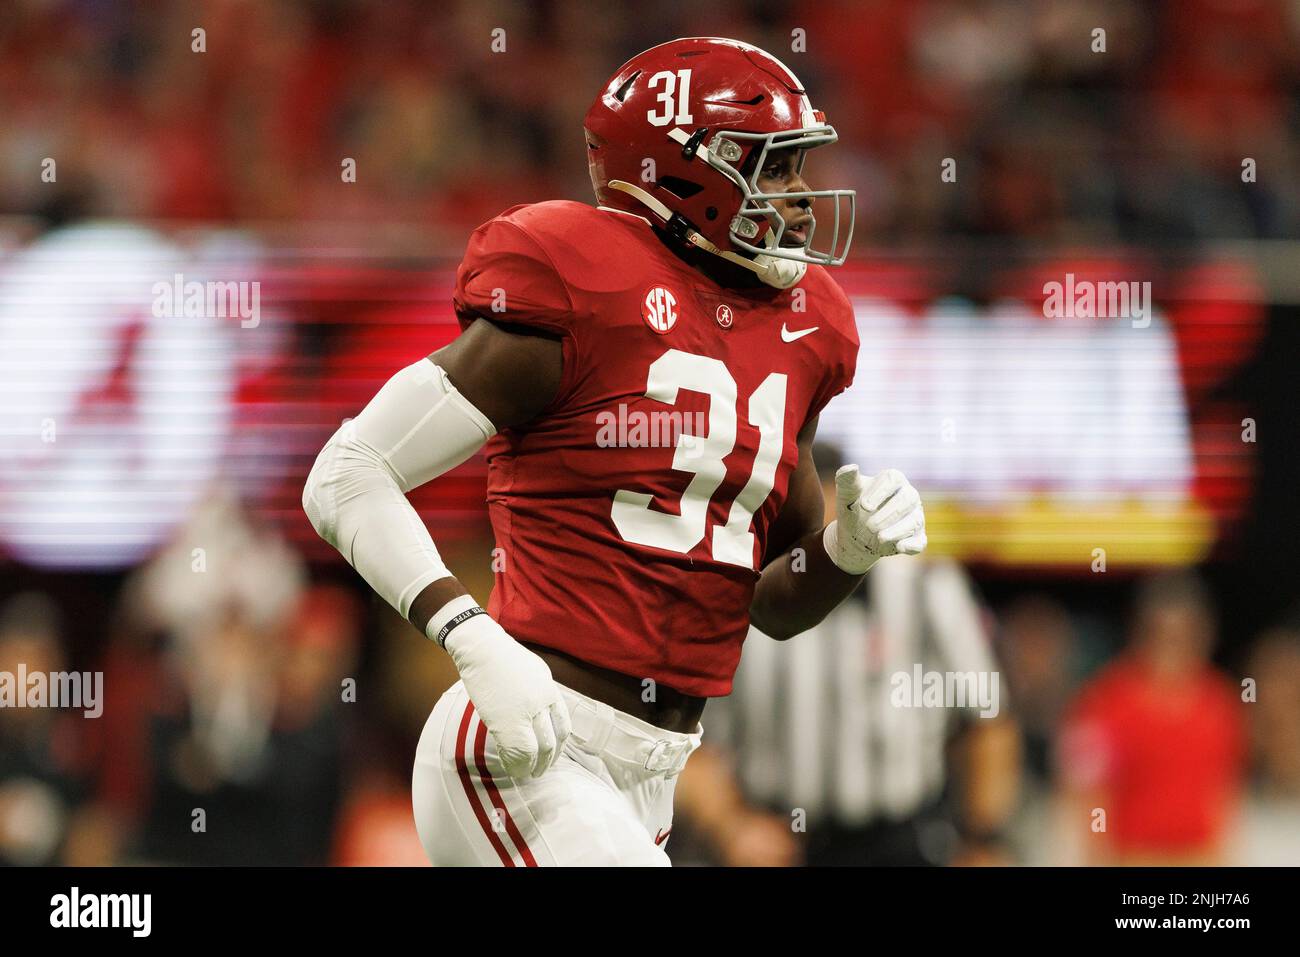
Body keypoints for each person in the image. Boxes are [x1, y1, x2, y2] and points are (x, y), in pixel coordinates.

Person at [303, 37, 927, 866]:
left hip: (653, 776)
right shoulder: (584, 279)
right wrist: (470, 636)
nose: (800, 196)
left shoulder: (807, 329)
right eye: (770, 168)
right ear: (678, 173)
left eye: (798, 167)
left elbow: (773, 602)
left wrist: (847, 549)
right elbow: (347, 474)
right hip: (527, 742)